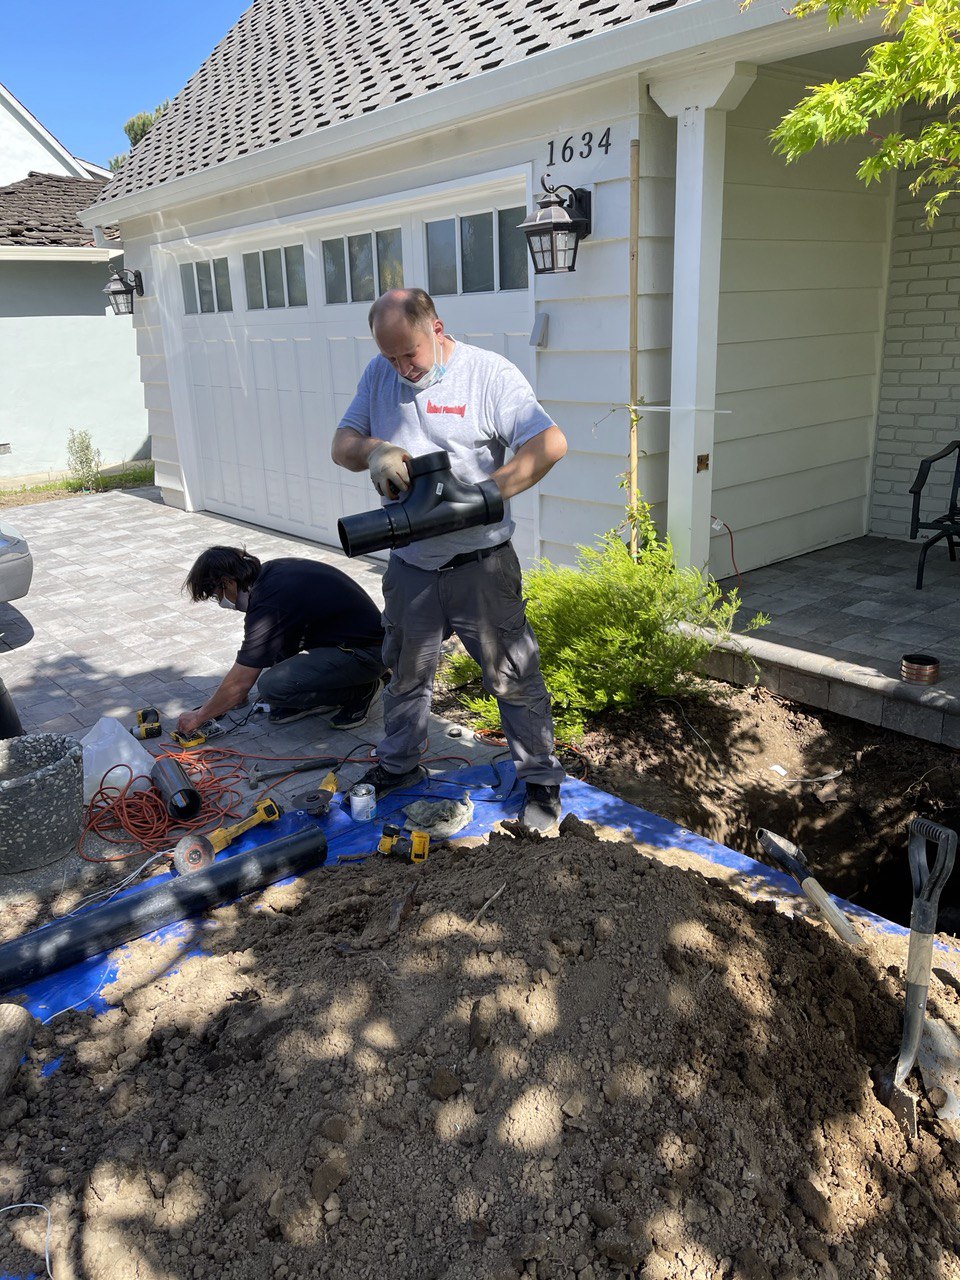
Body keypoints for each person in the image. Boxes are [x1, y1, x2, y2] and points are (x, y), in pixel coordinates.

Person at [331, 287, 567, 833]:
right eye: (390, 357)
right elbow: (341, 441)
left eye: (408, 353)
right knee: (406, 676)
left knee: (513, 676)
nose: (402, 368)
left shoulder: (490, 376)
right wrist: (373, 450)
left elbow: (549, 443)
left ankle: (540, 781)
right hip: (410, 563)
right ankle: (399, 766)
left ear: (436, 328)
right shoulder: (380, 374)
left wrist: (484, 495)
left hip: (480, 566)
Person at [176, 547, 386, 736]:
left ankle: (361, 690)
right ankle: (345, 683)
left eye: (216, 595)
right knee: (276, 671)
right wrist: (226, 699)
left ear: (228, 581)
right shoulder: (270, 574)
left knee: (273, 687)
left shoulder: (269, 602)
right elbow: (257, 653)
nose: (219, 601)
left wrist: (199, 717)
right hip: (356, 642)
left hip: (367, 653)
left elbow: (241, 682)